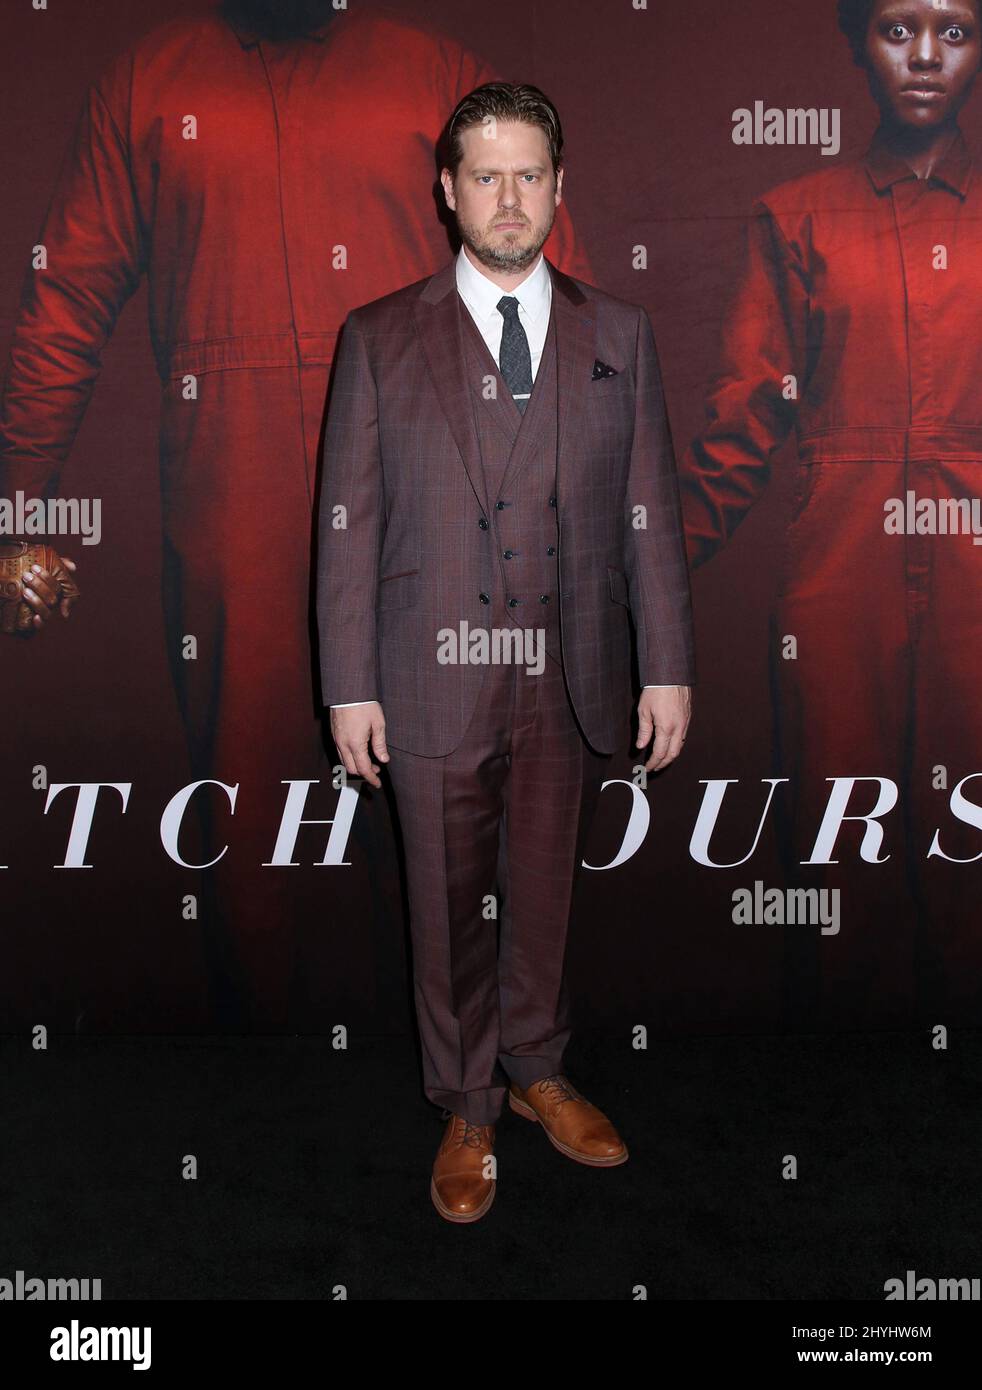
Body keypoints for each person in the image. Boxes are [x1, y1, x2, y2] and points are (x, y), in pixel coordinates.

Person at [0, 0, 591, 1030]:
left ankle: (466, 1071)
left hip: (430, 479)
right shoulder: (150, 83)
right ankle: (269, 1082)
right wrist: (20, 505)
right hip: (230, 485)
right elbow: (67, 301)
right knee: (249, 793)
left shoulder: (429, 71)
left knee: (442, 780)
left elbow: (544, 288)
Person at [317, 82, 695, 1222]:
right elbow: (347, 524)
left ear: (560, 187)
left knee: (540, 895)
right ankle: (469, 1101)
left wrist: (665, 662)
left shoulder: (619, 333)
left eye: (529, 173)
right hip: (428, 675)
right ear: (446, 191)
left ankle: (535, 1067)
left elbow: (650, 513)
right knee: (444, 905)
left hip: (571, 673)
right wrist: (348, 685)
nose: (509, 197)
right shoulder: (378, 338)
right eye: (485, 174)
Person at [679, 0, 982, 1024]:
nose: (927, 55)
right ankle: (838, 1100)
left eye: (955, 27)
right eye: (898, 29)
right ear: (855, 42)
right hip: (838, 557)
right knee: (836, 819)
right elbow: (739, 423)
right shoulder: (795, 212)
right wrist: (643, 574)